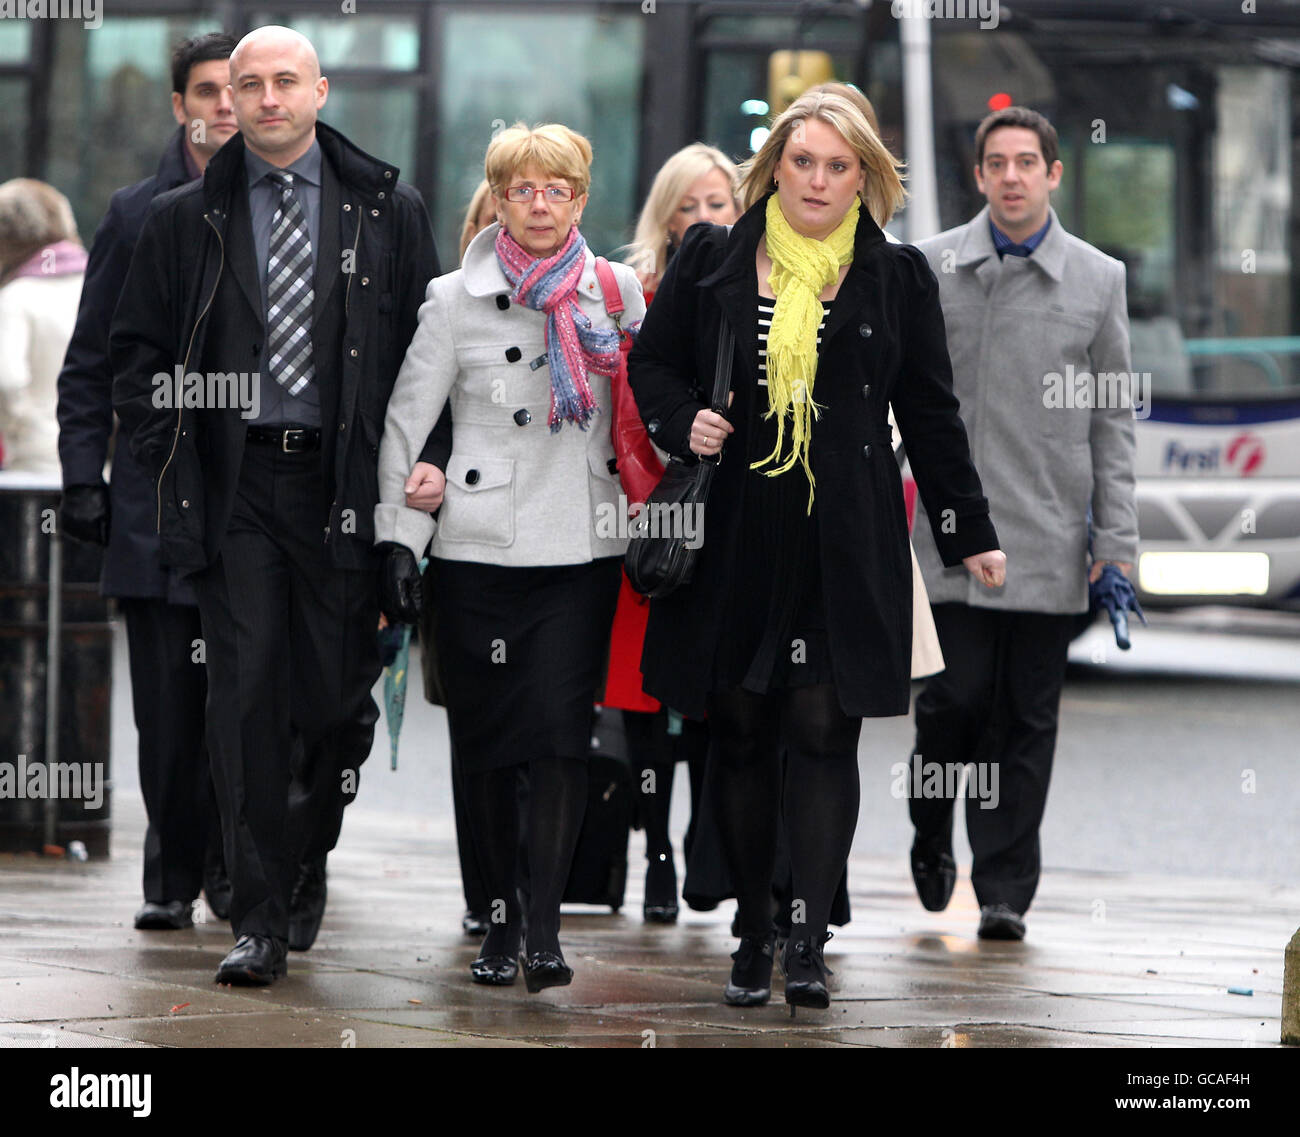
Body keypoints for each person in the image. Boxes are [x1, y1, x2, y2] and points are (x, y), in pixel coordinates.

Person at [628, 88, 1005, 1010]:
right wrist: (686, 421)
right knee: (745, 732)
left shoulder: (897, 274)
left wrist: (968, 530)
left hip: (849, 535)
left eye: (840, 167)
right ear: (776, 167)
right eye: (804, 162)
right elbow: (652, 364)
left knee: (824, 729)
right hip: (736, 532)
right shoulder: (715, 256)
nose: (819, 180)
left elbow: (929, 409)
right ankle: (753, 927)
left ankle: (806, 934)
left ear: (866, 178)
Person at [111, 25, 440, 986]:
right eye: (244, 85)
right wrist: (171, 451)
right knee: (246, 700)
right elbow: (135, 359)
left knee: (338, 708)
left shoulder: (387, 209)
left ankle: (301, 857)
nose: (259, 99)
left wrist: (426, 467)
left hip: (345, 485)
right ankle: (255, 915)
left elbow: (431, 354)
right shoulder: (185, 218)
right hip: (238, 486)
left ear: (320, 90)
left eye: (283, 81)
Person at [375, 122, 645, 992]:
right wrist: (398, 539)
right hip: (479, 546)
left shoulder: (618, 291)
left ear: (579, 198)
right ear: (496, 198)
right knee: (489, 744)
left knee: (562, 738)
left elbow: (650, 406)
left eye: (555, 188)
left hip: (581, 543)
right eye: (520, 188)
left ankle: (543, 921)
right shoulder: (453, 296)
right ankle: (495, 918)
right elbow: (406, 424)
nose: (538, 203)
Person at [906, 105, 1137, 941]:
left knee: (1025, 719)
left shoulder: (1098, 280)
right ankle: (931, 829)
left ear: (1053, 174)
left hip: (1048, 541)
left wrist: (1115, 548)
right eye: (995, 163)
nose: (1011, 176)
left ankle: (1004, 886)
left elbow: (1114, 425)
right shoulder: (929, 268)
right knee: (954, 704)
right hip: (951, 539)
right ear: (978, 177)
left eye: (1026, 162)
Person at [57, 32, 238, 933]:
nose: (225, 106)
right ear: (181, 106)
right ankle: (169, 875)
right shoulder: (136, 214)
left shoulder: (296, 211)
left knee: (246, 703)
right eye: (207, 91)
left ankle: (233, 870)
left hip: (254, 500)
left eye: (236, 89)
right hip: (154, 498)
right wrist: (80, 479)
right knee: (168, 709)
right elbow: (90, 362)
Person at [602, 143, 742, 924]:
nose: (701, 219)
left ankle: (701, 843)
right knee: (644, 698)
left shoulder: (743, 285)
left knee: (717, 698)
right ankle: (654, 851)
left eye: (716, 204)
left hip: (720, 519)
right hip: (644, 518)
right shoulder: (632, 295)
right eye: (685, 206)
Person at [0, 179, 86, 476]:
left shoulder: (16, 297)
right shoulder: (96, 287)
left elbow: (7, 380)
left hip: (33, 462)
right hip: (93, 457)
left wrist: (22, 426)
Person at [626, 143, 740, 296]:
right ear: (669, 220)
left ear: (738, 211)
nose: (704, 216)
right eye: (687, 207)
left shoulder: (764, 282)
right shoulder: (639, 293)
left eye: (716, 204)